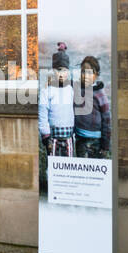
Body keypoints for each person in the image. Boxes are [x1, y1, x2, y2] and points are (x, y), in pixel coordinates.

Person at [38, 42, 75, 196]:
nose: (62, 74)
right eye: (59, 71)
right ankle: (54, 191)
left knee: (69, 164)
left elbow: (73, 111)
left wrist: (75, 132)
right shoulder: (48, 90)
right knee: (53, 164)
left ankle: (68, 191)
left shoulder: (71, 89)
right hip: (52, 136)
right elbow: (43, 113)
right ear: (53, 71)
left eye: (65, 71)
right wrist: (45, 134)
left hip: (68, 135)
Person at [73, 55, 111, 159]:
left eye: (90, 72)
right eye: (83, 72)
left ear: (97, 74)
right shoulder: (77, 91)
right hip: (80, 139)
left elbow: (106, 121)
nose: (86, 75)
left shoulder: (100, 94)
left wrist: (105, 146)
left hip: (96, 142)